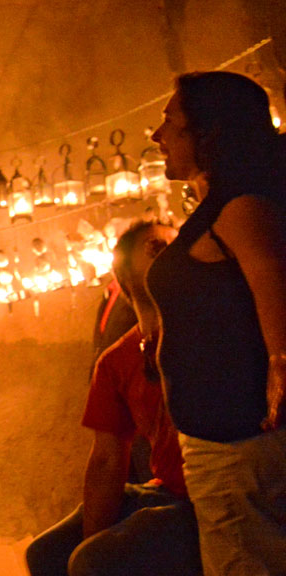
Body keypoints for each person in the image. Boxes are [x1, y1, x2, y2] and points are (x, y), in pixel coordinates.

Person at [146, 71, 286, 576]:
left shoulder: (242, 207)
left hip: (241, 448)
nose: (157, 135)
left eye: (170, 122)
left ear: (208, 133)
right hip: (225, 446)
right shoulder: (221, 205)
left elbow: (274, 284)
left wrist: (281, 365)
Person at [25, 220, 201, 576]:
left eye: (175, 246)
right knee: (46, 554)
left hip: (201, 498)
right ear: (124, 275)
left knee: (92, 562)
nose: (172, 255)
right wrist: (93, 540)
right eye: (156, 248)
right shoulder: (116, 361)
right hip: (164, 491)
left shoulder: (207, 329)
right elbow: (107, 459)